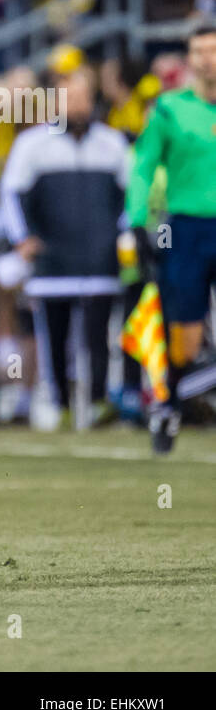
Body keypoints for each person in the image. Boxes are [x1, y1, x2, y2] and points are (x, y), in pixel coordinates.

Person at [0, 67, 128, 427]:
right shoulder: (32, 145)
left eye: (83, 97)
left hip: (100, 259)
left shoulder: (112, 143)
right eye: (69, 97)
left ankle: (100, 402)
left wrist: (123, 235)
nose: (77, 105)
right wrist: (22, 238)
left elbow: (132, 197)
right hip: (52, 260)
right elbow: (10, 194)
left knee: (99, 335)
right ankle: (61, 404)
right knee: (53, 334)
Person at [128, 25, 216, 454]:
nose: (208, 59)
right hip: (187, 228)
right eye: (200, 51)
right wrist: (137, 219)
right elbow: (143, 164)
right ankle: (169, 404)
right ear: (189, 58)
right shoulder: (170, 109)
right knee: (184, 334)